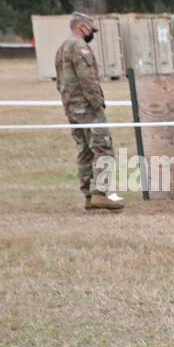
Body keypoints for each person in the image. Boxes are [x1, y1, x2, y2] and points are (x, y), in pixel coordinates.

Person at [55, 12, 123, 211]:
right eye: (90, 30)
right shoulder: (79, 47)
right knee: (103, 147)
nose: (91, 34)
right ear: (82, 27)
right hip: (87, 107)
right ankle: (99, 192)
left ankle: (88, 196)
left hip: (71, 108)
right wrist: (97, 103)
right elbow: (87, 79)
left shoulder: (62, 48)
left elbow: (60, 82)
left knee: (84, 151)